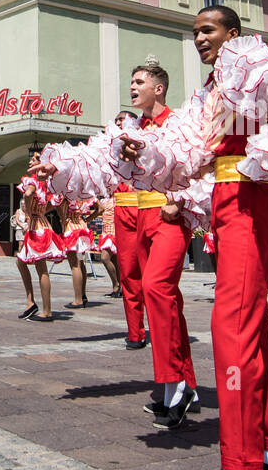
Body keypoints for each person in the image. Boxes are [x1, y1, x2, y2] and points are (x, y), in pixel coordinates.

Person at [103, 5, 268, 470]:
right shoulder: (211, 93)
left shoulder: (257, 74)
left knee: (230, 326)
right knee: (249, 328)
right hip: (226, 203)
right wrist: (143, 153)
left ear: (234, 34)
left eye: (208, 30)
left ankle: (242, 468)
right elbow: (189, 153)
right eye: (194, 32)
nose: (199, 39)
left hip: (252, 201)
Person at [33, 65, 201, 420]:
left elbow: (201, 165)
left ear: (159, 89)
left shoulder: (180, 124)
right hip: (138, 218)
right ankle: (181, 384)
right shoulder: (130, 129)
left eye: (139, 82)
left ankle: (175, 386)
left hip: (169, 219)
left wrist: (182, 201)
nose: (132, 86)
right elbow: (97, 159)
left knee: (157, 289)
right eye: (131, 81)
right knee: (159, 295)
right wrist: (58, 168)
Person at [15, 173, 64, 321]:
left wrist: (29, 210)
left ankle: (46, 310)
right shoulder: (49, 185)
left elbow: (29, 192)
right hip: (42, 225)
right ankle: (31, 303)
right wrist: (41, 211)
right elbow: (55, 203)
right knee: (21, 261)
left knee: (40, 268)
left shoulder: (34, 182)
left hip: (37, 228)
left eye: (34, 160)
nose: (31, 161)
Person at [54, 194, 93, 307]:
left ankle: (78, 299)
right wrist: (88, 219)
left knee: (75, 265)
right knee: (80, 263)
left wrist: (63, 218)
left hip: (71, 230)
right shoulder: (82, 191)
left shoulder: (65, 193)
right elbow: (100, 208)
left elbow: (60, 207)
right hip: (82, 228)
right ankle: (83, 295)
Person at [96, 195, 121, 298]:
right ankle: (118, 286)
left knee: (105, 258)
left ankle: (117, 285)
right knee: (114, 260)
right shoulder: (104, 198)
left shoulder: (117, 198)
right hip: (106, 231)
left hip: (115, 231)